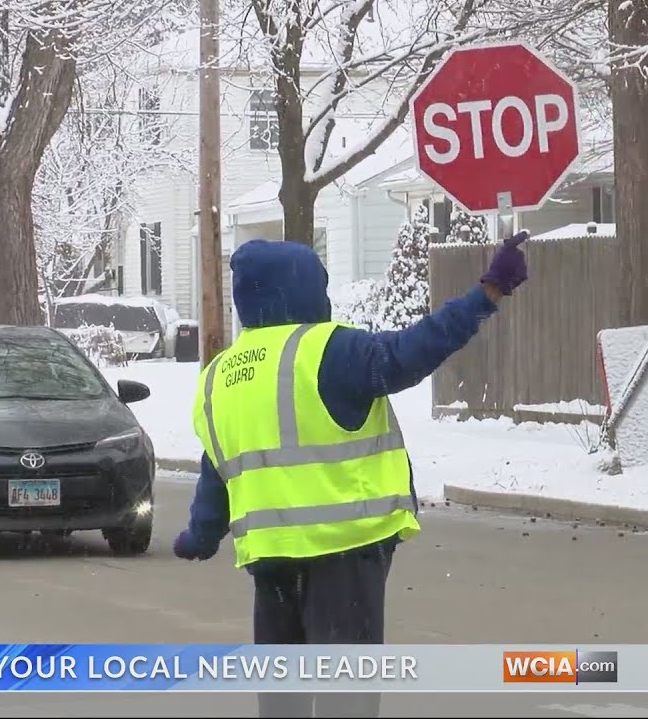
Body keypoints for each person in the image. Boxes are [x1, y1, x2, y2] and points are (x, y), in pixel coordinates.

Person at [172, 230, 530, 718]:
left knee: (283, 699)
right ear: (298, 289)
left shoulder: (219, 376)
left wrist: (201, 533)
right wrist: (485, 295)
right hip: (345, 556)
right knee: (348, 697)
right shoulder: (328, 350)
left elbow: (218, 466)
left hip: (271, 562)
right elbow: (412, 351)